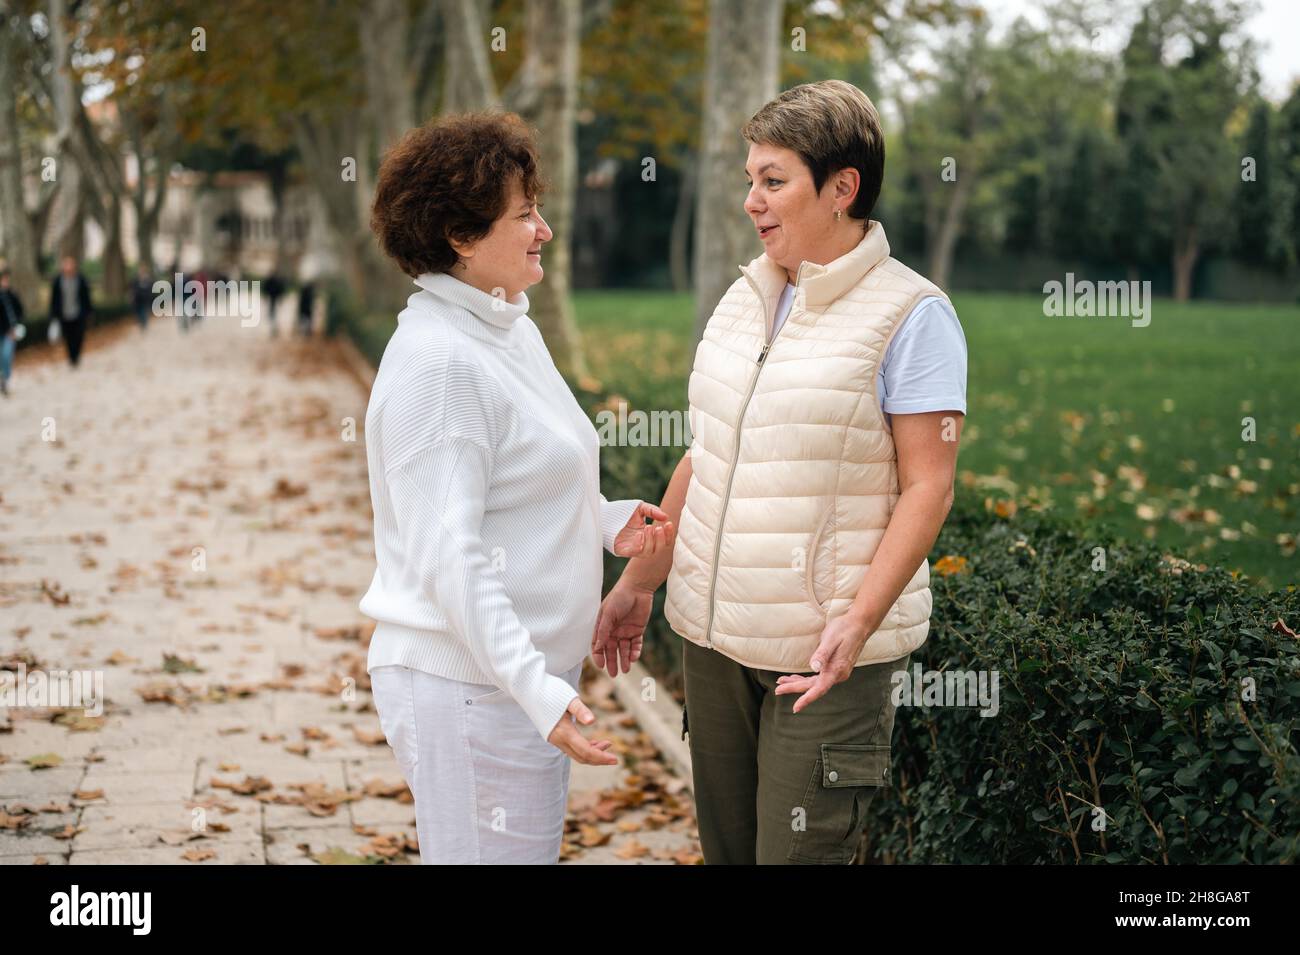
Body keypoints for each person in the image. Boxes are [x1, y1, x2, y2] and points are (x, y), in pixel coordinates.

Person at [594, 80, 969, 864]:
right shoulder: (745, 297)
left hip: (824, 659)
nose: (751, 201)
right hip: (716, 642)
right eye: (749, 180)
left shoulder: (914, 314)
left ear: (842, 188)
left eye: (773, 180)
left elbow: (929, 485)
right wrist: (640, 582)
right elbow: (709, 453)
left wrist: (858, 621)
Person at [360, 111, 676, 864]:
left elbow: (521, 483)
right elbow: (452, 560)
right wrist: (540, 694)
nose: (545, 230)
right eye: (523, 214)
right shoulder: (441, 364)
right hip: (471, 689)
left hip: (507, 683)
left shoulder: (505, 327)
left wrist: (603, 521)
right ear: (461, 238)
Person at [48, 255, 93, 367]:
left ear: (74, 266)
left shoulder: (81, 279)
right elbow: (54, 299)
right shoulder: (58, 281)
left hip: (78, 314)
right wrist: (53, 314)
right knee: (68, 338)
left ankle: (76, 355)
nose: (68, 267)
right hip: (64, 315)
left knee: (79, 337)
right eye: (66, 265)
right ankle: (72, 357)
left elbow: (86, 297)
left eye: (70, 265)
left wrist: (89, 312)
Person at [0, 270, 23, 396]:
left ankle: (5, 378)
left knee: (7, 355)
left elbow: (19, 311)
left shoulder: (12, 295)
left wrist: (14, 328)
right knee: (1, 356)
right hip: (2, 331)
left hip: (10, 332)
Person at [130, 264, 153, 331]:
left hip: (145, 299)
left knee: (144, 312)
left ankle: (144, 324)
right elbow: (133, 288)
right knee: (139, 312)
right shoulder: (136, 279)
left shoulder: (148, 279)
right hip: (137, 299)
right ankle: (141, 322)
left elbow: (150, 289)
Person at [263, 272, 284, 336]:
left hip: (273, 298)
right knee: (273, 311)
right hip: (273, 298)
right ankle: (273, 322)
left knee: (273, 311)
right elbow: (280, 289)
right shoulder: (276, 281)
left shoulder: (273, 281)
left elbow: (266, 288)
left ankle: (273, 323)